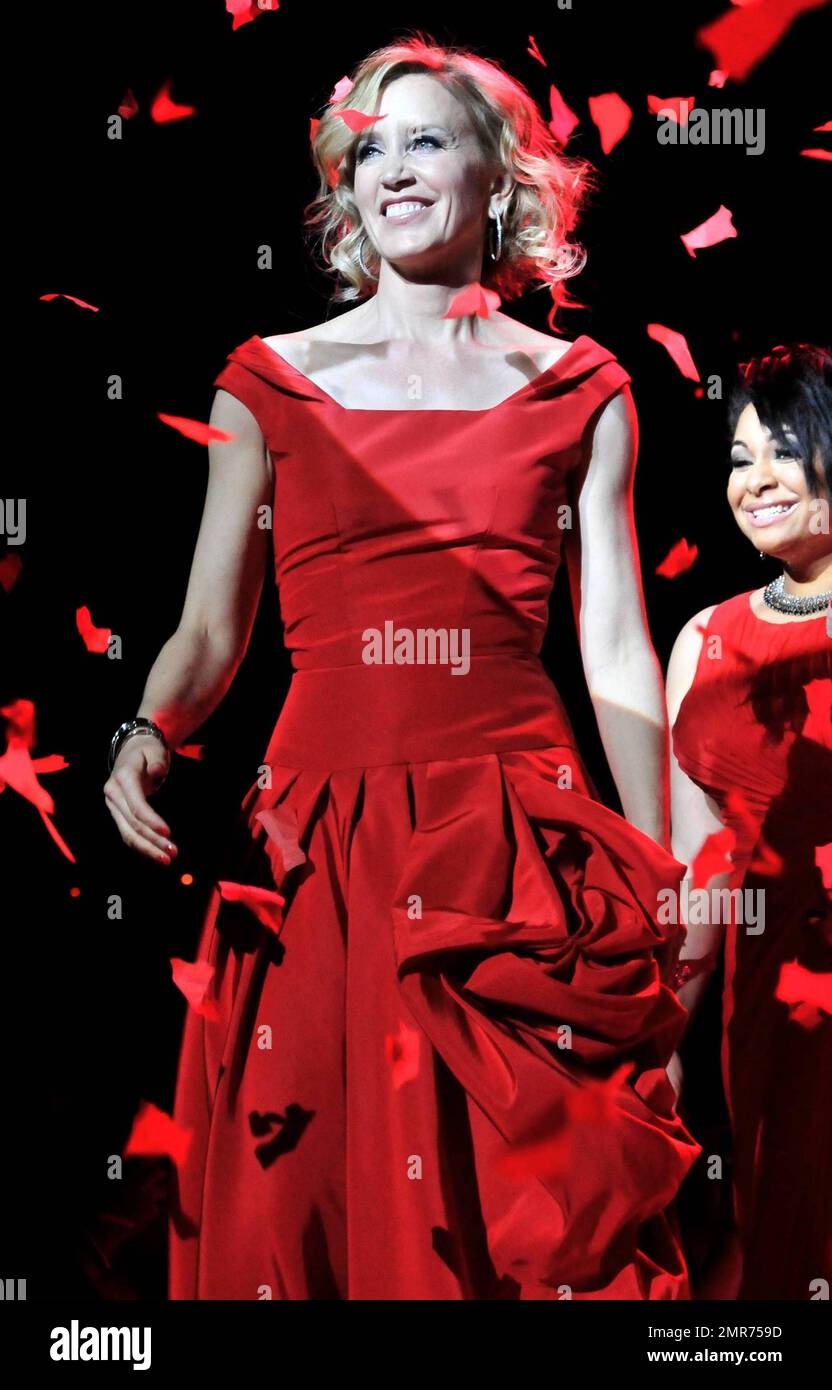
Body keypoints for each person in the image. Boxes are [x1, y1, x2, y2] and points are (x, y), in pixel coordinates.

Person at [104, 36, 698, 1300]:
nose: (393, 171)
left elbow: (612, 647)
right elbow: (211, 634)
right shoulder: (264, 386)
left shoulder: (585, 389)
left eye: (426, 140)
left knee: (524, 1216)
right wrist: (147, 731)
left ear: (503, 177)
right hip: (318, 845)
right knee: (313, 1202)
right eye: (368, 150)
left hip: (514, 845)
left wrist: (656, 877)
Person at [667, 343, 832, 1299]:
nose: (756, 481)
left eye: (784, 450)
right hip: (764, 1011)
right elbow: (701, 871)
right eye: (739, 459)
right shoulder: (705, 640)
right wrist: (658, 1036)